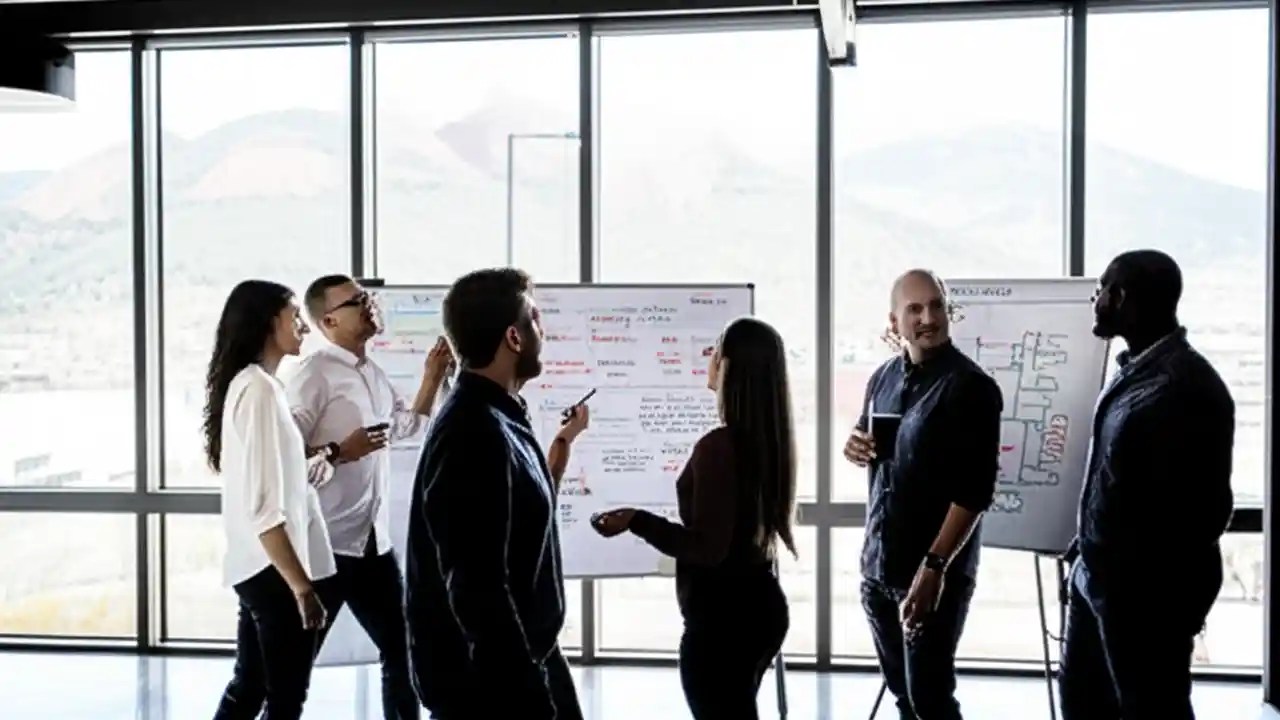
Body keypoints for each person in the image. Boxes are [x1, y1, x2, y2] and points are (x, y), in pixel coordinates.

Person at [1059, 250, 1234, 720]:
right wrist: (1085, 549)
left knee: (1152, 708)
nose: (1095, 300)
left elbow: (1205, 511)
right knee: (1082, 703)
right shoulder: (1136, 371)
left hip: (1143, 600)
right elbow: (1114, 479)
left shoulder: (1185, 386)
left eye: (1101, 290)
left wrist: (1149, 597)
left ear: (1121, 298)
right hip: (1096, 580)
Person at [592, 316, 795, 720]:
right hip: (759, 609)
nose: (709, 357)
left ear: (730, 366)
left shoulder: (719, 447)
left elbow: (707, 549)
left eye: (716, 348)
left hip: (722, 626)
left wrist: (636, 520)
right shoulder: (768, 440)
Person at [404, 268, 585, 720]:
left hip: (524, 656)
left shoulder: (501, 414)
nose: (543, 330)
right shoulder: (472, 428)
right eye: (535, 319)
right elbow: (476, 584)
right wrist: (527, 694)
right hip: (489, 684)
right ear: (514, 338)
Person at [282, 274, 452, 720]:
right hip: (328, 547)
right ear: (329, 321)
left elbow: (407, 426)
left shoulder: (371, 373)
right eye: (356, 302)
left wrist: (433, 377)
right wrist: (338, 452)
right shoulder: (313, 374)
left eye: (366, 297)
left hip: (374, 546)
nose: (368, 304)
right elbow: (285, 461)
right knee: (291, 667)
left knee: (403, 650)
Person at [843, 269, 1003, 720]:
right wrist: (854, 444)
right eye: (914, 308)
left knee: (930, 700)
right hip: (879, 566)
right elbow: (869, 439)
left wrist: (933, 568)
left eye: (936, 306)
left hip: (933, 572)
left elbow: (974, 492)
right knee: (905, 698)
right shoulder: (882, 378)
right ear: (894, 321)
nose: (928, 317)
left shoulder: (971, 387)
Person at [207, 280, 338, 720]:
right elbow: (265, 506)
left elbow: (280, 481)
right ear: (268, 323)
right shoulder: (260, 390)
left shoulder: (255, 385)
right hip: (275, 572)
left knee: (251, 687)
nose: (303, 325)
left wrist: (320, 461)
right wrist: (303, 588)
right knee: (283, 699)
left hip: (259, 567)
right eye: (294, 315)